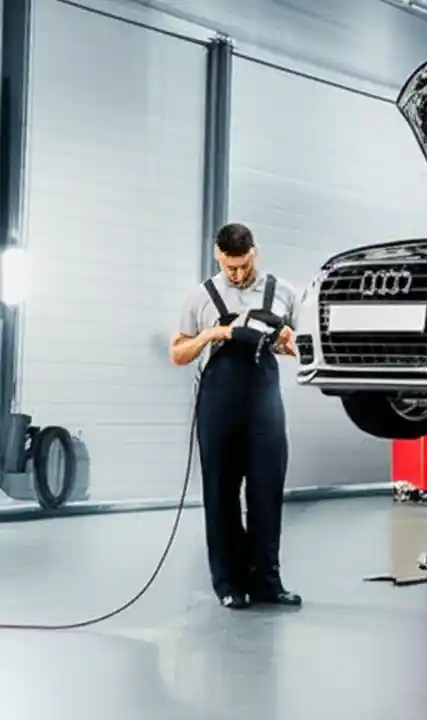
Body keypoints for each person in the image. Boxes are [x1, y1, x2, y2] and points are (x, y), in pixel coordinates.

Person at [170, 222, 302, 610]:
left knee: (266, 491)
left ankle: (267, 583)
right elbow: (177, 353)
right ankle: (229, 583)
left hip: (264, 402)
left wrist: (287, 342)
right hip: (218, 404)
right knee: (221, 493)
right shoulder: (200, 297)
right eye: (230, 267)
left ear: (254, 253)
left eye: (244, 266)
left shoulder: (284, 293)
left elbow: (302, 348)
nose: (238, 275)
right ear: (218, 256)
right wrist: (214, 335)